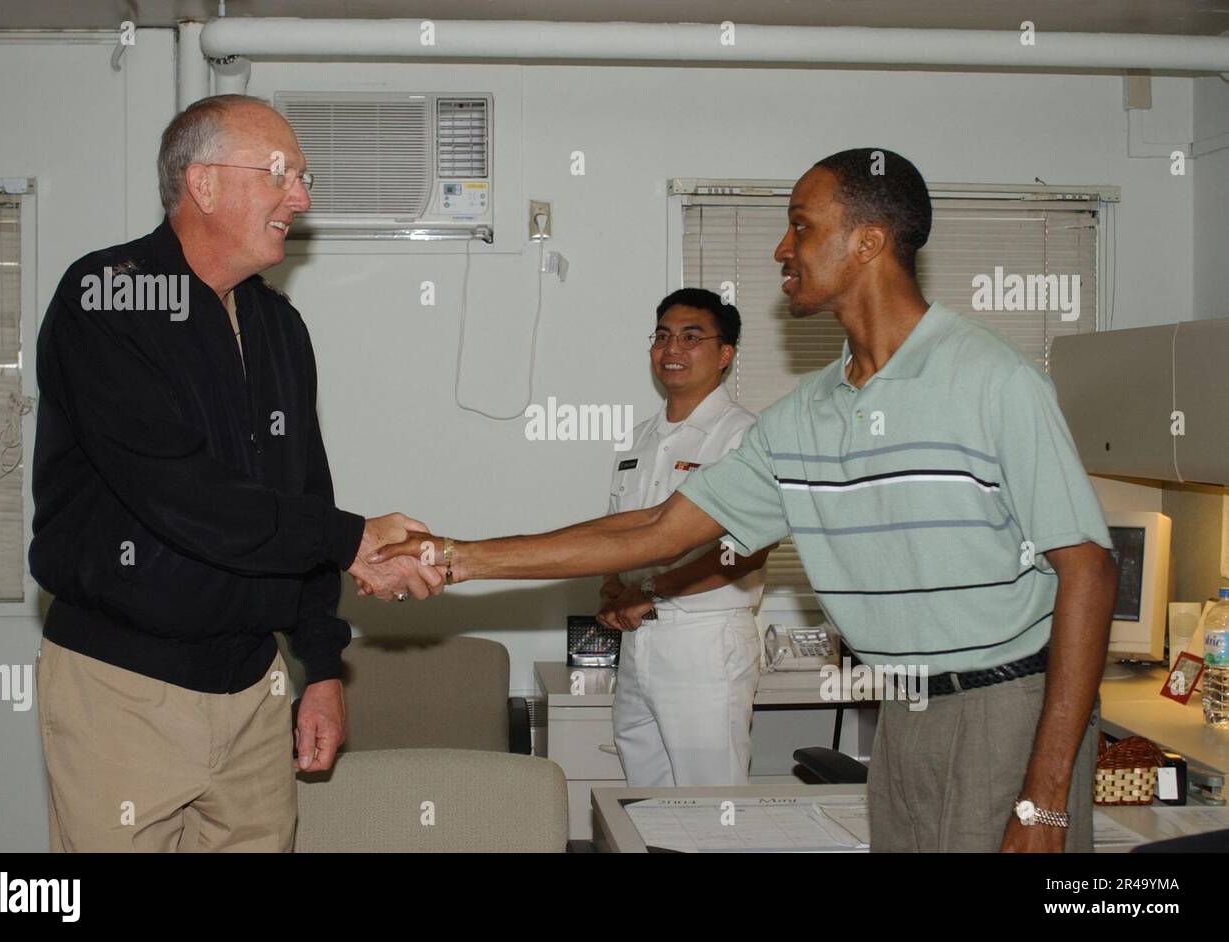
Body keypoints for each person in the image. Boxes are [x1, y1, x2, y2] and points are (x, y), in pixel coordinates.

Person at [372, 148, 1118, 853]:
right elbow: (661, 528)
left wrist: (1046, 793)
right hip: (905, 710)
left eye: (802, 225)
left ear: (868, 241)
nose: (780, 250)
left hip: (1010, 704)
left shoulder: (992, 380)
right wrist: (456, 556)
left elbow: (1089, 569)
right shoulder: (806, 416)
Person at [29, 94, 443, 852]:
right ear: (203, 183)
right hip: (124, 689)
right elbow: (179, 494)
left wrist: (321, 667)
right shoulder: (106, 298)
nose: (304, 197)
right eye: (281, 173)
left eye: (304, 177)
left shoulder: (278, 325)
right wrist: (354, 540)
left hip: (255, 691)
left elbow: (299, 499)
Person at [599, 288, 771, 787]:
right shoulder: (639, 438)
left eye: (691, 337)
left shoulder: (743, 437)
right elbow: (620, 530)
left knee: (712, 803)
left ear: (724, 355)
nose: (672, 349)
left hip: (704, 641)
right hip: (638, 638)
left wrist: (650, 590)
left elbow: (743, 551)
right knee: (646, 801)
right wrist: (612, 587)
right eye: (663, 336)